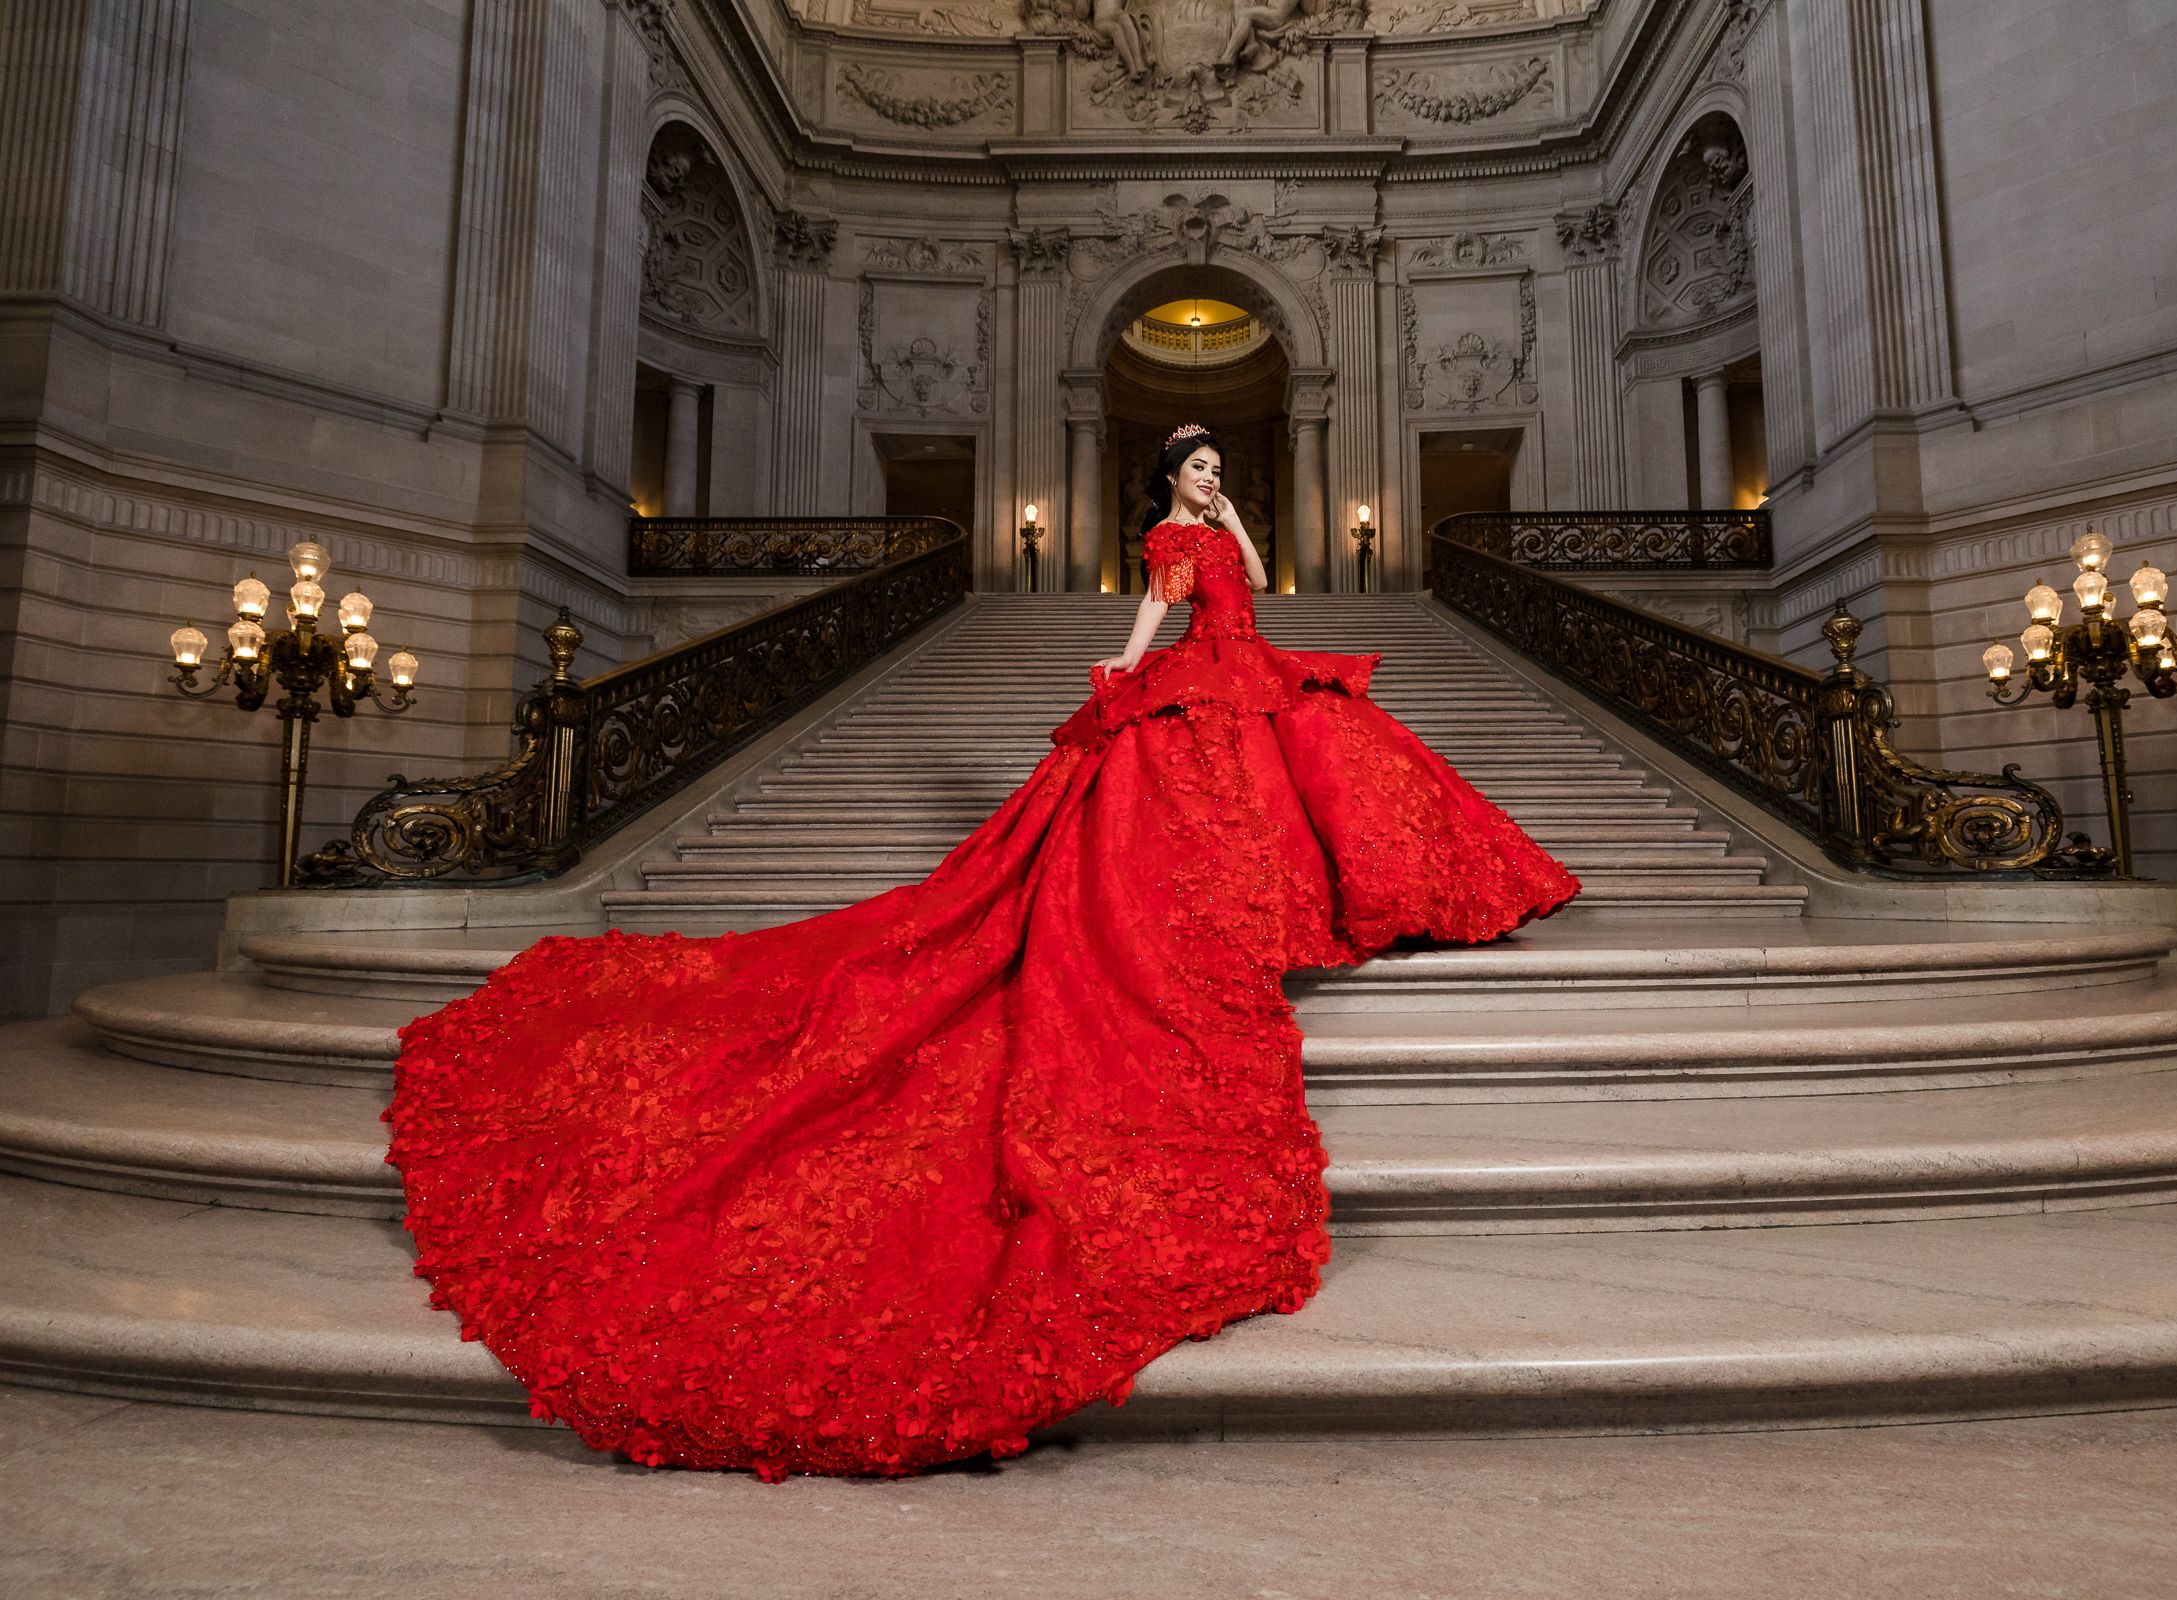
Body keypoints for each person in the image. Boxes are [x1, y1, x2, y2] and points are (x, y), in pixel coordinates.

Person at [384, 423, 1582, 1480]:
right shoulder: (1171, 542)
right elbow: (1164, 608)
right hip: (1191, 684)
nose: (1214, 479)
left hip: (1246, 672)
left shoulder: (1218, 527)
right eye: (1201, 469)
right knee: (1201, 825)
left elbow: (1263, 586)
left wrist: (1241, 523)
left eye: (1220, 467)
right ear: (1169, 476)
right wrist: (1122, 666)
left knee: (1330, 753)